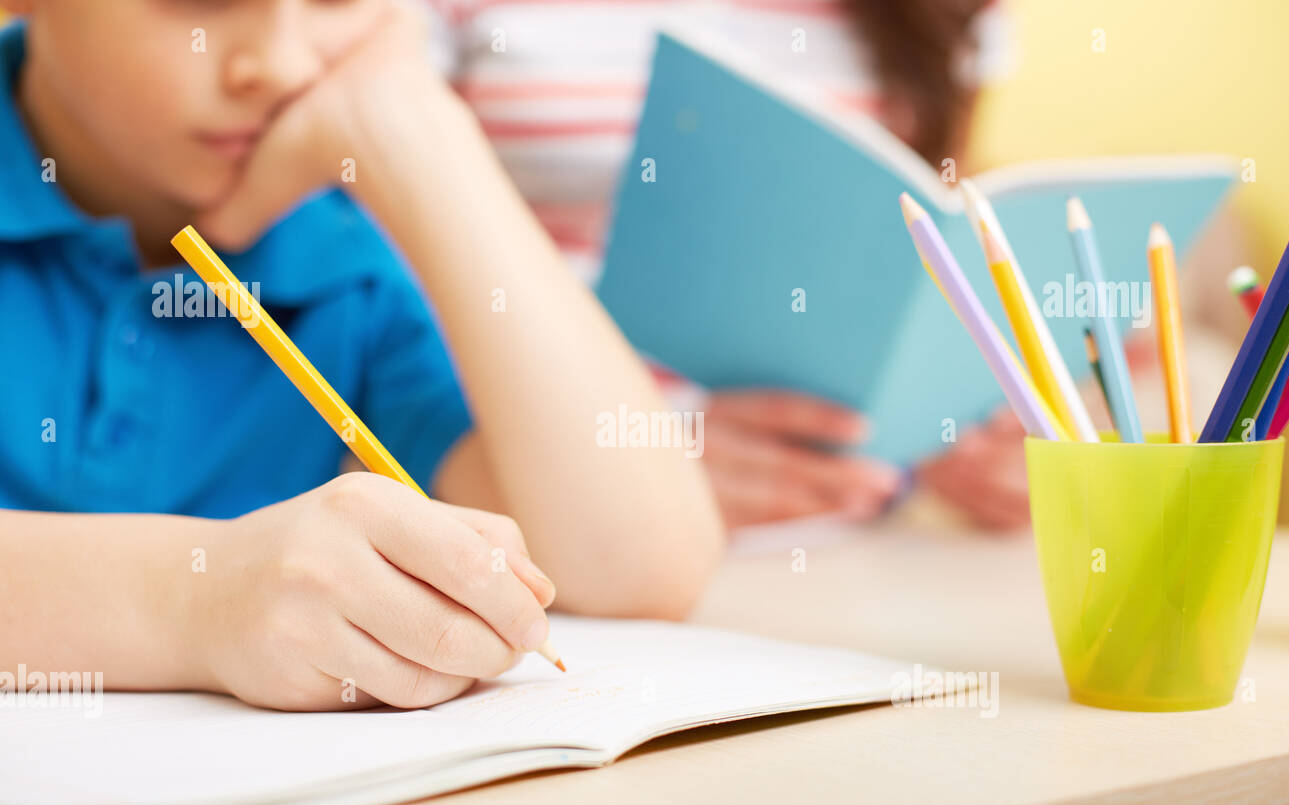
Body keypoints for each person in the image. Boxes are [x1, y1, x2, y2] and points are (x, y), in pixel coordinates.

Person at [0, 0, 724, 711]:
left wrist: (417, 135)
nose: (282, 65)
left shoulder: (345, 259)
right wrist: (195, 597)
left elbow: (637, 565)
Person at [424, 0, 1035, 528]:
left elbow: (930, 234)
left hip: (858, 537)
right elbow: (369, 280)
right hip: (537, 519)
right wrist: (628, 461)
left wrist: (960, 421)